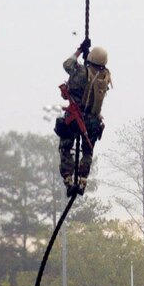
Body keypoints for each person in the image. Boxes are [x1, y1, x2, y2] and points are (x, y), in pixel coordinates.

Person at [54, 41, 112, 196]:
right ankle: (83, 180)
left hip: (75, 118)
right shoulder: (104, 77)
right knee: (87, 151)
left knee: (66, 146)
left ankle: (68, 180)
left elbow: (67, 64)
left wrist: (80, 50)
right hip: (93, 121)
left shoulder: (80, 72)